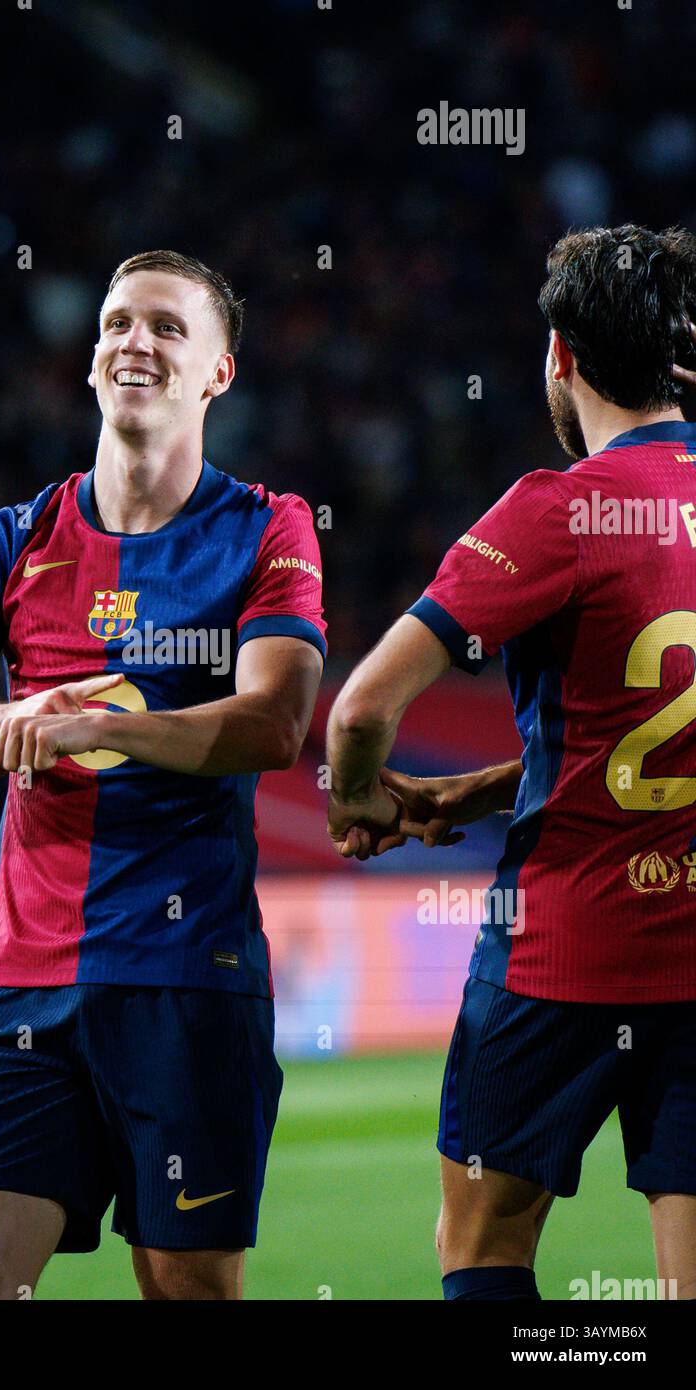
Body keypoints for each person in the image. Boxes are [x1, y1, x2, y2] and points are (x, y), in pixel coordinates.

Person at [0, 250, 325, 1300]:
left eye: (168, 328)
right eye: (118, 322)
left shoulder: (266, 526)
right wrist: (20, 714)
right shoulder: (13, 535)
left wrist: (96, 731)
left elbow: (274, 723)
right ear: (90, 360)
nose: (135, 342)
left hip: (186, 978)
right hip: (23, 983)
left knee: (186, 1292)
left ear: (218, 373)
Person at [325, 224, 696, 1300]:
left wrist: (360, 799)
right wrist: (489, 786)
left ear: (558, 357)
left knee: (483, 1250)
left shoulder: (558, 509)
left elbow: (359, 708)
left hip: (559, 958)